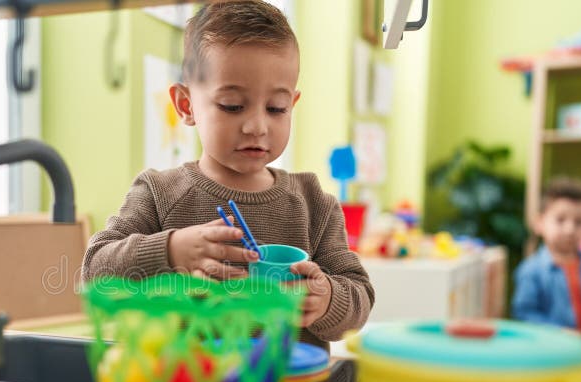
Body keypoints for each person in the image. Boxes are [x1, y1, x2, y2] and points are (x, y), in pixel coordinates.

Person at [82, 0, 374, 348]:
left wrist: (327, 300)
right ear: (186, 105)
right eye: (233, 106)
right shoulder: (158, 192)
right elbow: (94, 274)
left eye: (275, 109)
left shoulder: (314, 203)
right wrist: (171, 250)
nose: (256, 126)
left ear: (291, 106)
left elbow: (359, 294)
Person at [512, 178, 581, 332]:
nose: (570, 229)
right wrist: (561, 332)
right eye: (560, 220)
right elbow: (524, 314)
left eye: (579, 222)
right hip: (554, 350)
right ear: (539, 223)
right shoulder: (531, 271)